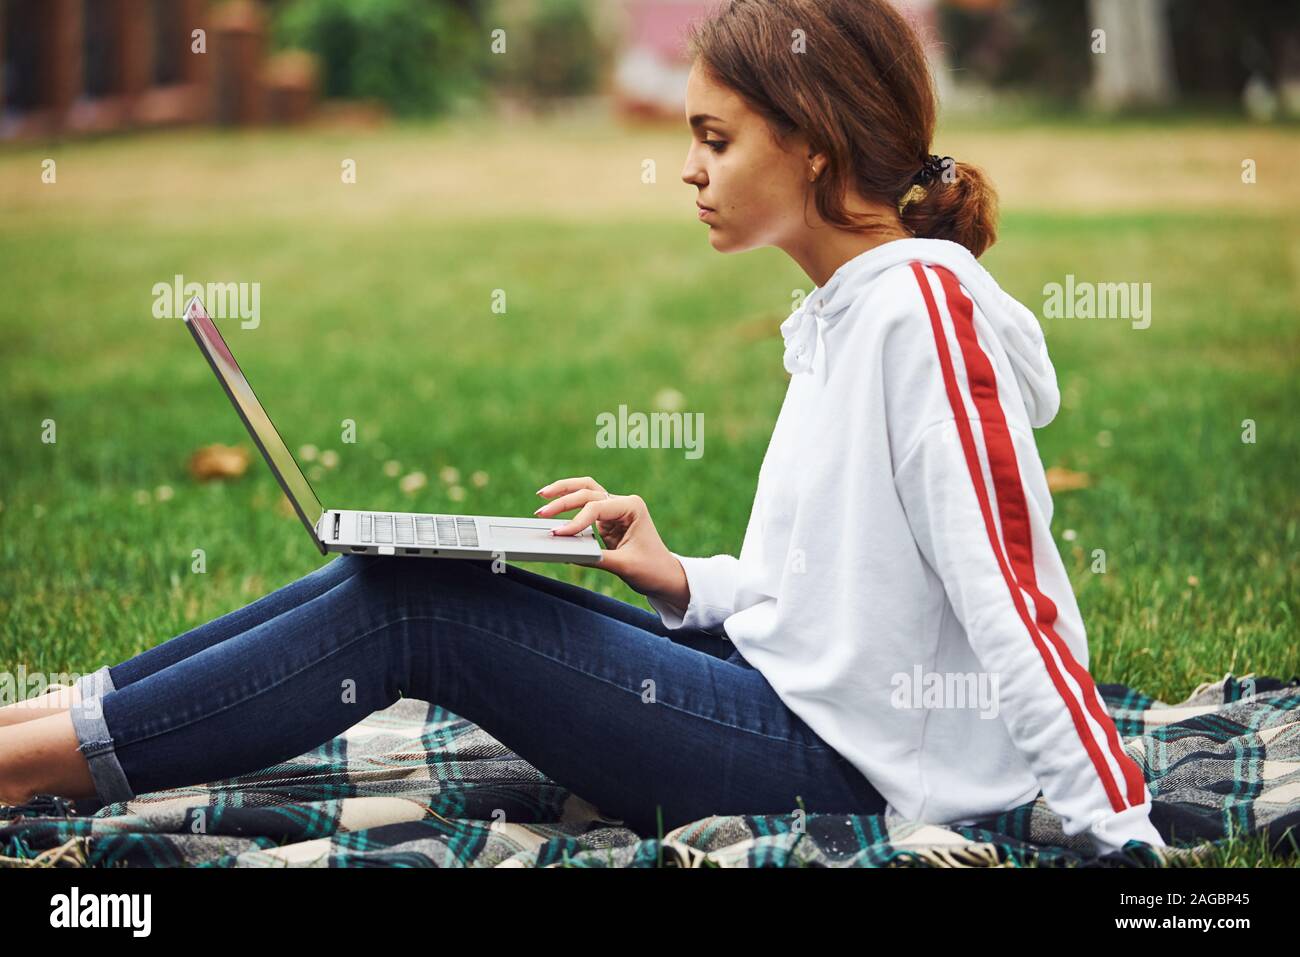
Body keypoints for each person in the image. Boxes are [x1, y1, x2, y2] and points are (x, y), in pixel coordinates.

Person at [0, 0, 1164, 855]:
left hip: (852, 770)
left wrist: (1124, 839)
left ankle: (26, 765)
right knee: (399, 564)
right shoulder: (853, 308)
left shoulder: (920, 310)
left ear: (812, 140)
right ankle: (46, 720)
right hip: (800, 698)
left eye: (717, 139)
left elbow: (1011, 588)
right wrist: (687, 581)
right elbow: (850, 599)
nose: (688, 170)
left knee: (420, 612)